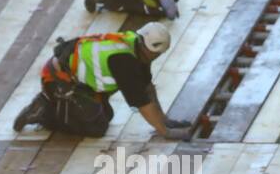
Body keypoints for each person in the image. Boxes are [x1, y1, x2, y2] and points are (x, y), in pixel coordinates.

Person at [12, 22, 191, 139]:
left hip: (78, 81)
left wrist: (165, 120)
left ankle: (59, 106)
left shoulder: (137, 47)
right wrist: (165, 132)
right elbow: (142, 103)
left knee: (106, 115)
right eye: (157, 53)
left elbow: (147, 89)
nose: (157, 57)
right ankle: (43, 111)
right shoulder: (124, 61)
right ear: (149, 47)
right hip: (60, 80)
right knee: (97, 128)